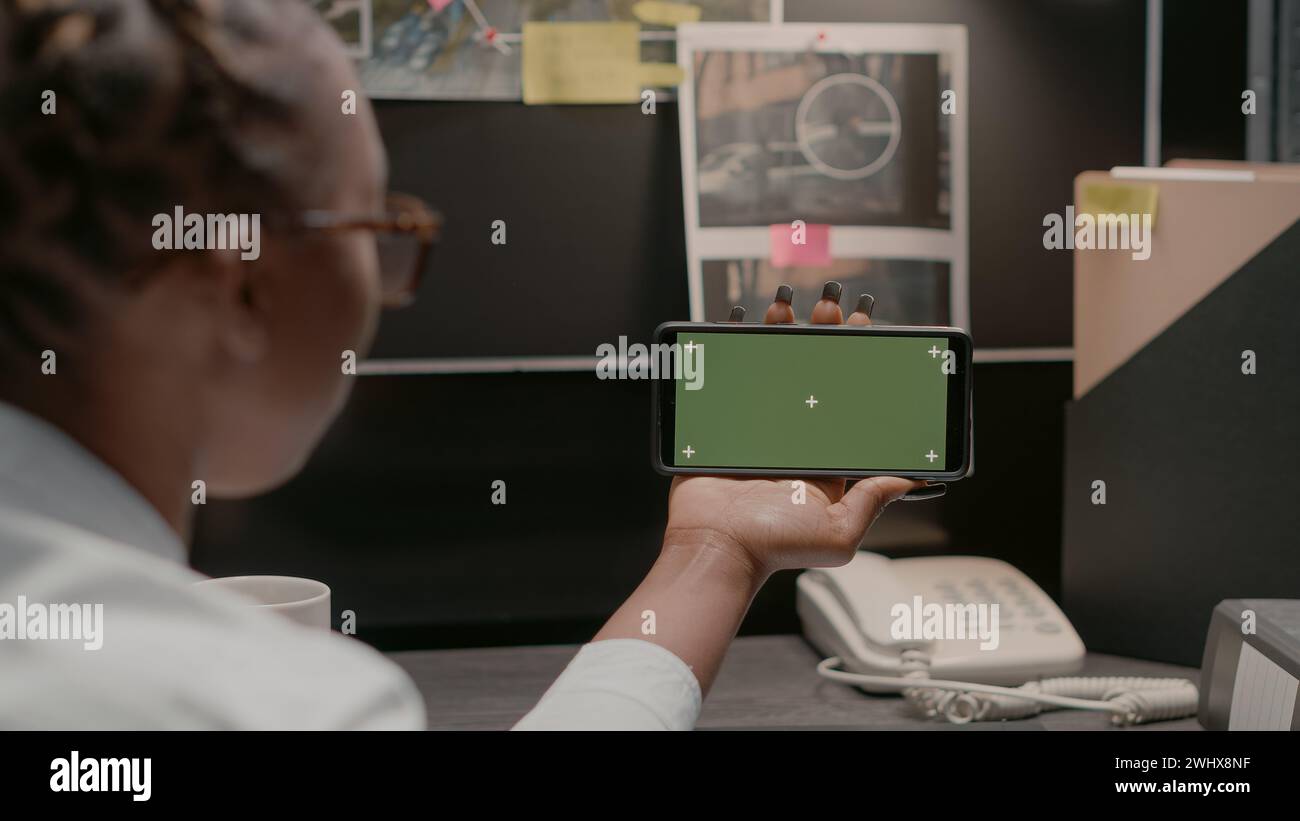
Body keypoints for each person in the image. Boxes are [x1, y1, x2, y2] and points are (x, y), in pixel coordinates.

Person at [0, 0, 919, 729]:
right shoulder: (262, 704)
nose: (389, 288)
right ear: (244, 288)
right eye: (382, 228)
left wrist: (714, 552)